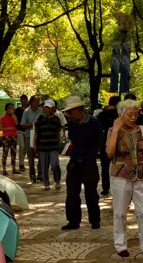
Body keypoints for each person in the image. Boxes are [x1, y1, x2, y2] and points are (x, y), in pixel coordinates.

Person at [106, 99, 143, 257]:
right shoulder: (113, 130)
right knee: (120, 212)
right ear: (120, 114)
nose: (133, 117)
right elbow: (109, 153)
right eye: (129, 114)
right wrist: (116, 130)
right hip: (121, 175)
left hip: (141, 175)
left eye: (136, 113)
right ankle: (120, 245)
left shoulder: (142, 129)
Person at [60, 96, 101, 230]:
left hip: (89, 161)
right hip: (74, 161)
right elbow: (73, 140)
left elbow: (98, 141)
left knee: (91, 193)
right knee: (72, 193)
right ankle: (73, 221)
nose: (69, 115)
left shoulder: (93, 122)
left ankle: (95, 220)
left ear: (79, 109)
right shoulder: (72, 124)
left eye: (71, 112)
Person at [33, 99, 63, 191]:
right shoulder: (40, 119)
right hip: (42, 146)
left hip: (53, 146)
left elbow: (58, 133)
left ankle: (57, 181)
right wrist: (34, 144)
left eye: (48, 108)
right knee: (44, 166)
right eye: (45, 107)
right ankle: (46, 184)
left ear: (52, 109)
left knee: (55, 165)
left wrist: (58, 144)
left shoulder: (56, 119)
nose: (46, 109)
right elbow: (36, 133)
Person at [97, 96, 121, 197]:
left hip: (104, 144)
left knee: (105, 167)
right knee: (119, 165)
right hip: (118, 143)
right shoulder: (119, 115)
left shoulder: (101, 115)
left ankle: (105, 188)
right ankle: (118, 188)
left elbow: (97, 131)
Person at [20, 96, 43, 185]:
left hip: (39, 136)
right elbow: (23, 125)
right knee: (31, 157)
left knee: (41, 156)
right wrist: (34, 123)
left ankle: (40, 174)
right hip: (29, 136)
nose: (37, 102)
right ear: (31, 102)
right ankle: (32, 175)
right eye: (36, 101)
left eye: (38, 101)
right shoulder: (26, 112)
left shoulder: (41, 111)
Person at [0, 103, 20, 173]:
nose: (11, 110)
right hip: (6, 137)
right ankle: (4, 169)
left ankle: (14, 169)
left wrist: (14, 119)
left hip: (14, 136)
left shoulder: (14, 117)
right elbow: (1, 128)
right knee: (5, 152)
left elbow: (17, 124)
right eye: (10, 108)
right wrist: (9, 128)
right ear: (6, 109)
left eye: (13, 108)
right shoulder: (3, 118)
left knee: (13, 153)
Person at [14, 95, 28, 172]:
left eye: (26, 99)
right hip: (19, 131)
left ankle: (22, 163)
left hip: (28, 131)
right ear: (21, 100)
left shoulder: (30, 110)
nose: (24, 101)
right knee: (22, 146)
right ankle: (21, 164)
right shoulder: (17, 110)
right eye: (23, 99)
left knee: (25, 148)